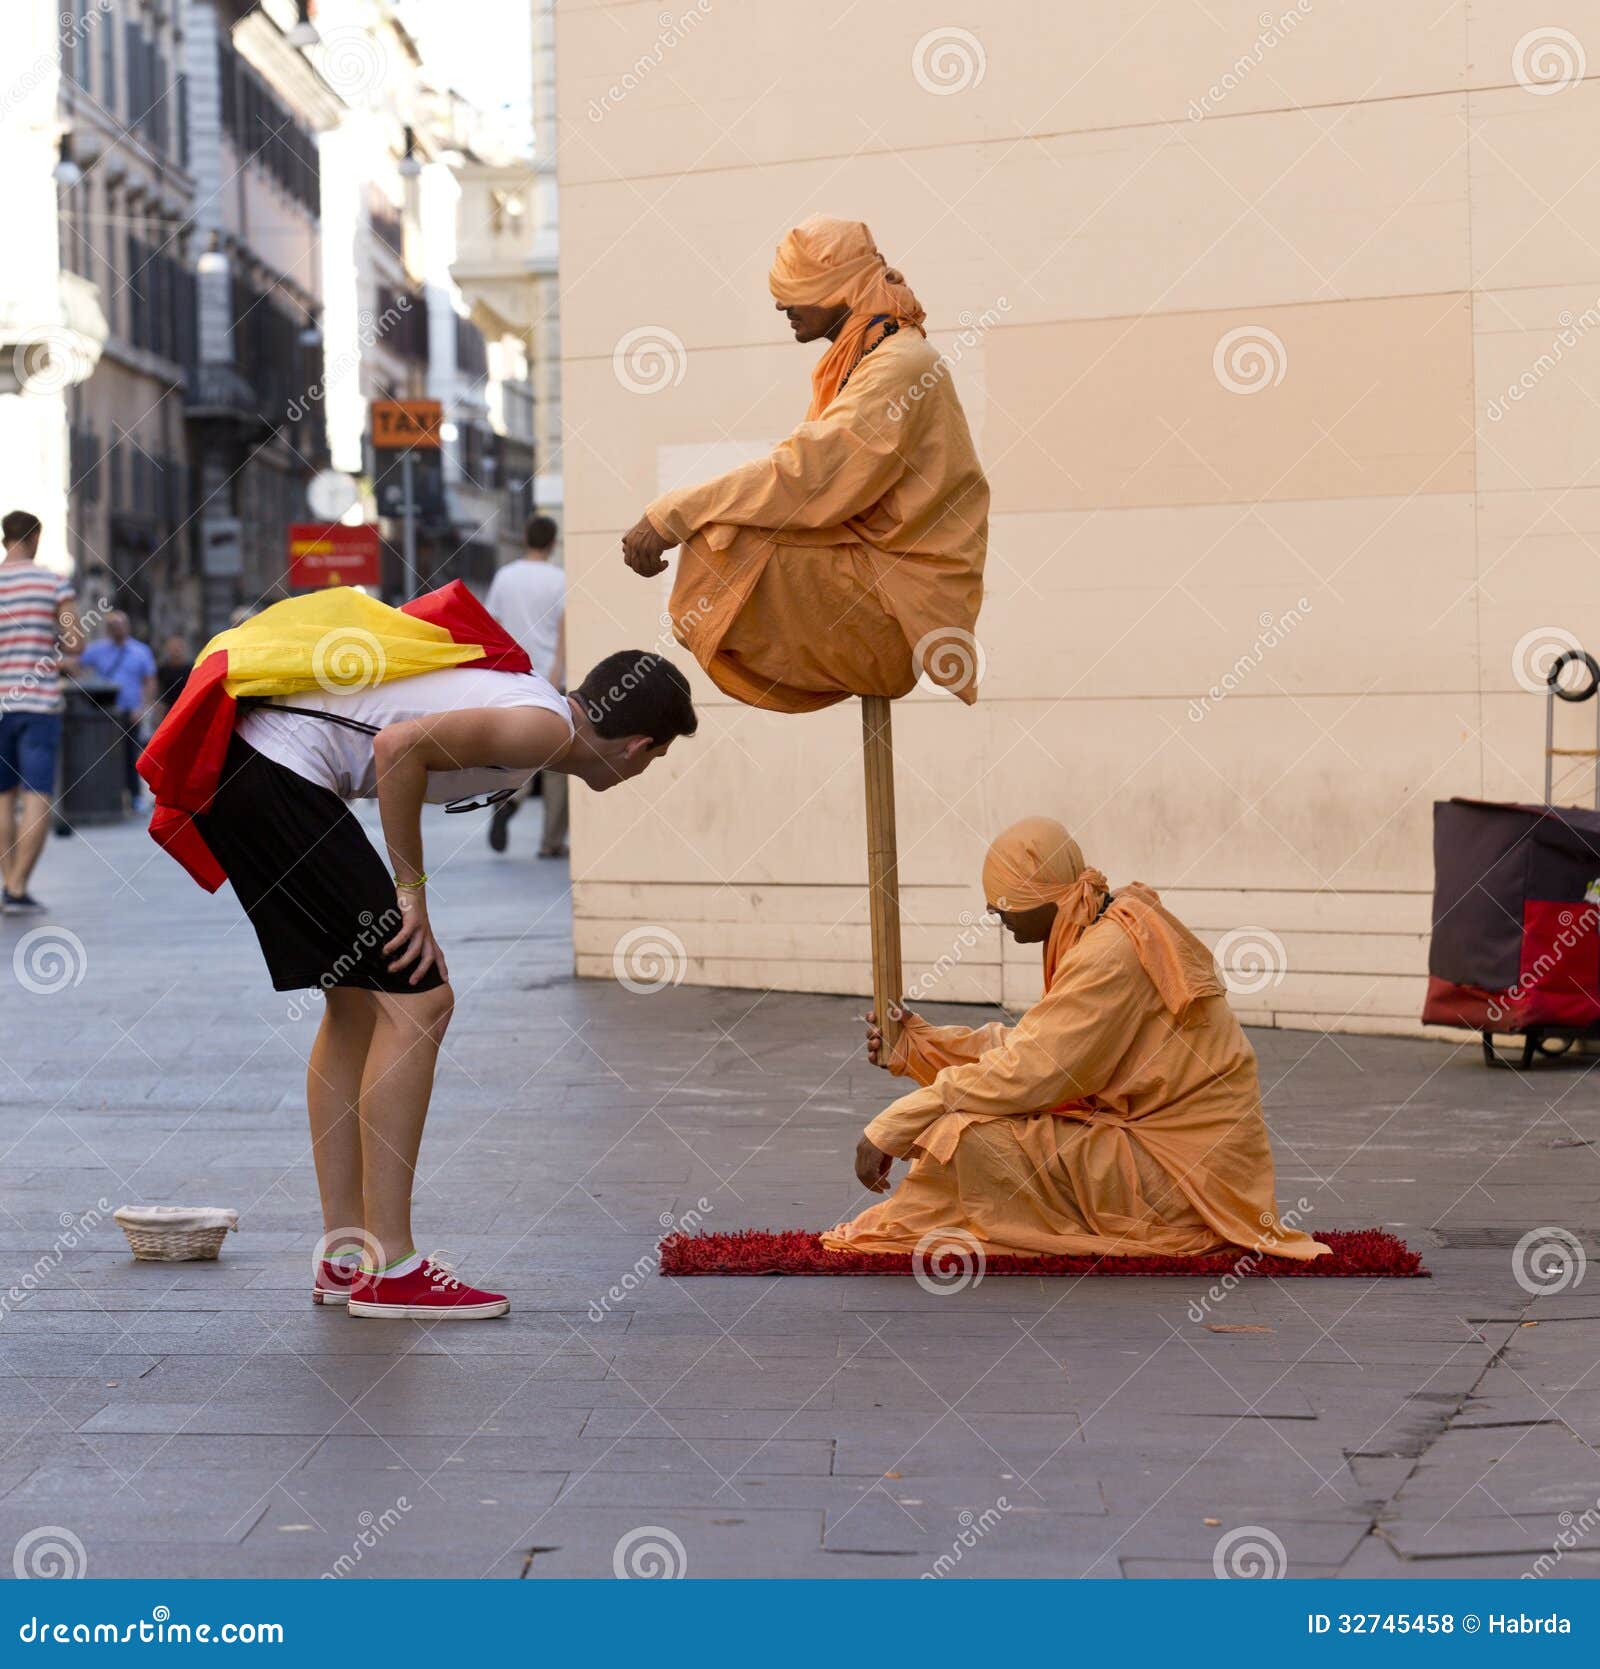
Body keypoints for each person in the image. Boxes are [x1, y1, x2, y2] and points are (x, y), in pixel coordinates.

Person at [150, 589, 698, 1322]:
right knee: (423, 1000)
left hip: (253, 769)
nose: (646, 770)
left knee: (356, 1007)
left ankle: (347, 1254)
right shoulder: (541, 727)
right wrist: (411, 894)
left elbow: (390, 744)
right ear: (638, 747)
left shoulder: (533, 711)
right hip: (275, 772)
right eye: (658, 757)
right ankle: (392, 1267)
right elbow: (397, 749)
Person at [828, 817, 1329, 1265]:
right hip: (1167, 1152)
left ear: (1042, 897)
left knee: (963, 1136)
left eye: (1003, 903)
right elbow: (1039, 1045)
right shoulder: (1106, 926)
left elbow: (1031, 1070)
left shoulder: (1108, 953)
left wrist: (896, 1122)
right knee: (971, 1125)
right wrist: (921, 1046)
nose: (994, 914)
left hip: (1183, 1181)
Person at [621, 215, 988, 712]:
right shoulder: (870, 357)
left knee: (720, 540)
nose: (780, 304)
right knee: (728, 529)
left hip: (902, 606)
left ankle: (839, 663)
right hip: (874, 571)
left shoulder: (899, 365)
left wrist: (672, 514)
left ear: (842, 287)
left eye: (794, 289)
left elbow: (809, 476)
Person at [0, 510, 80, 914]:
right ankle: (17, 888)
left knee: (2, 796)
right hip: (38, 704)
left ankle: (8, 882)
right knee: (37, 794)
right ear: (34, 537)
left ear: (4, 539)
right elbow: (74, 639)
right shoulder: (53, 583)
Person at [484, 514, 568, 857]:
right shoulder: (560, 579)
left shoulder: (505, 576)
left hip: (514, 677)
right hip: (549, 677)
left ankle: (509, 798)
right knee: (558, 759)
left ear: (525, 539)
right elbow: (565, 632)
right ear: (553, 543)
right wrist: (556, 673)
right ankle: (551, 841)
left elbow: (493, 626)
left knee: (518, 747)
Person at [79, 612, 157, 809]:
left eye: (121, 624)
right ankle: (107, 796)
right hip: (104, 713)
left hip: (130, 712)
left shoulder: (141, 651)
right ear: (108, 629)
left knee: (131, 756)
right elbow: (77, 664)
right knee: (103, 755)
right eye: (113, 625)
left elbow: (149, 681)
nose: (118, 628)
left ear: (127, 626)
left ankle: (134, 796)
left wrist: (143, 708)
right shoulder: (97, 650)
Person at [154, 634, 191, 721]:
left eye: (179, 647)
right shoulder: (162, 669)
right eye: (173, 647)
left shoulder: (190, 669)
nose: (176, 650)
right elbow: (158, 689)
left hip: (185, 707)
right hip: (166, 710)